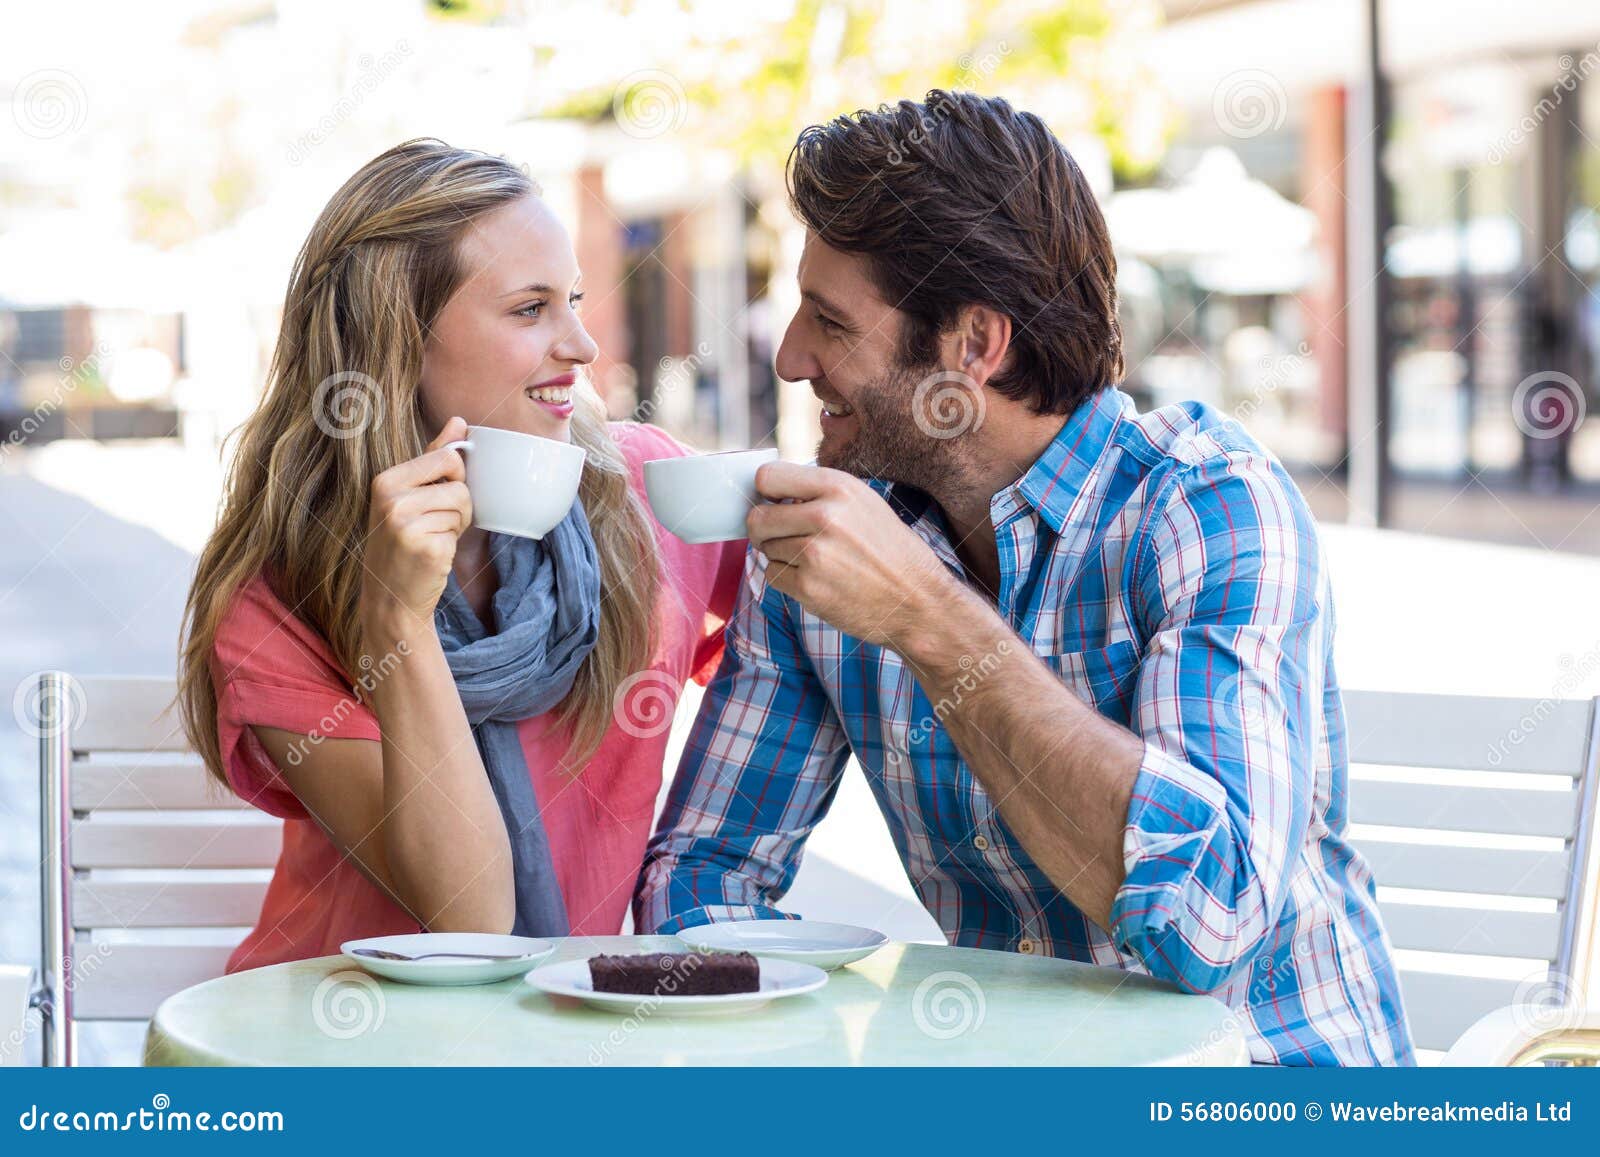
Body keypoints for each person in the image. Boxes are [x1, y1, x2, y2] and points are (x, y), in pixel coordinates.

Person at [636, 92, 1414, 1066]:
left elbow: (1206, 924)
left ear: (972, 346)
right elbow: (698, 882)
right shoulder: (823, 542)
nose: (792, 356)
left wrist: (927, 616)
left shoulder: (1206, 507)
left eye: (829, 321)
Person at [177, 140, 741, 972]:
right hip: (348, 1050)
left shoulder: (644, 492)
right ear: (397, 339)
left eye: (575, 301)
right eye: (530, 310)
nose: (582, 345)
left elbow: (825, 619)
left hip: (577, 1036)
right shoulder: (276, 602)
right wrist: (395, 621)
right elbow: (470, 912)